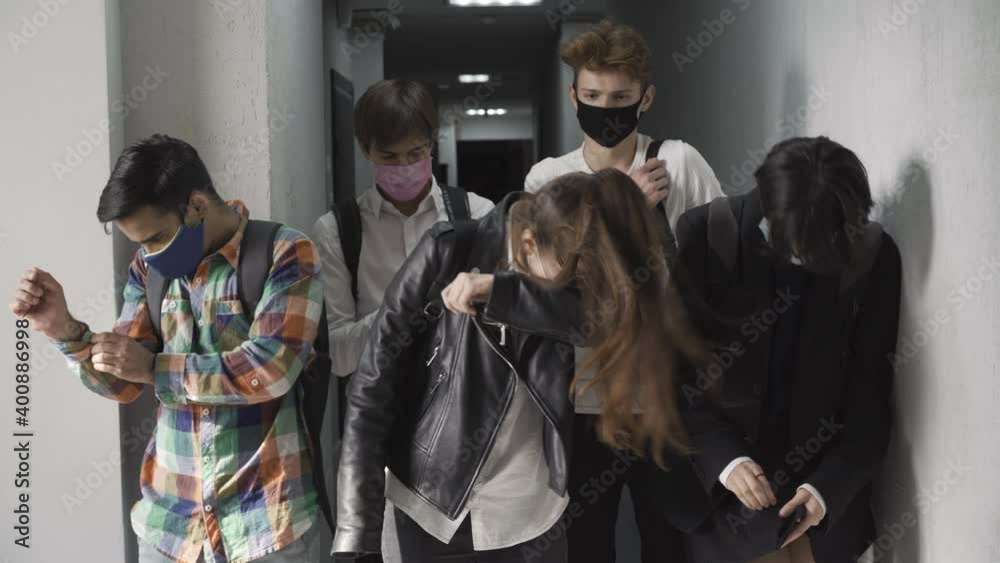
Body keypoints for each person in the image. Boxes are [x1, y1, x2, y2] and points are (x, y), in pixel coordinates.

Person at [332, 169, 704, 563]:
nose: (581, 292)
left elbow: (606, 321)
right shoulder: (447, 251)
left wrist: (503, 293)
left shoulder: (570, 276)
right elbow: (371, 391)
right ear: (527, 243)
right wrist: (357, 534)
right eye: (573, 281)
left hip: (534, 521)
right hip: (428, 510)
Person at [9, 134, 326, 563]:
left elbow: (271, 370)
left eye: (157, 238)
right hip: (170, 530)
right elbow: (124, 384)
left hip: (266, 523)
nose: (149, 254)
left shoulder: (285, 252)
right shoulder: (148, 269)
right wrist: (64, 330)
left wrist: (156, 368)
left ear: (196, 206)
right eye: (140, 243)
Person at [524, 19, 724, 562]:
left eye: (619, 98)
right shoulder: (547, 178)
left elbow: (716, 278)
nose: (604, 108)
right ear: (573, 96)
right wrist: (622, 208)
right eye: (591, 96)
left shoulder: (678, 162)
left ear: (646, 98)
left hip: (666, 393)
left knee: (670, 542)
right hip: (585, 396)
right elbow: (548, 289)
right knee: (588, 545)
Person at [674, 136, 902, 563]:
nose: (802, 256)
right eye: (792, 243)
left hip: (824, 482)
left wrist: (827, 489)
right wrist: (726, 461)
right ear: (766, 203)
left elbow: (870, 398)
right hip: (721, 485)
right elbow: (674, 379)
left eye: (818, 248)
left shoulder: (871, 257)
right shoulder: (706, 237)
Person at [312, 78, 493, 429]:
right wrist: (401, 310)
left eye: (416, 153)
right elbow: (339, 355)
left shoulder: (477, 214)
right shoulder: (336, 230)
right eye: (389, 157)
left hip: (464, 412)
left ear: (432, 144)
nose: (405, 167)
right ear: (365, 149)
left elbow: (501, 323)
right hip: (378, 419)